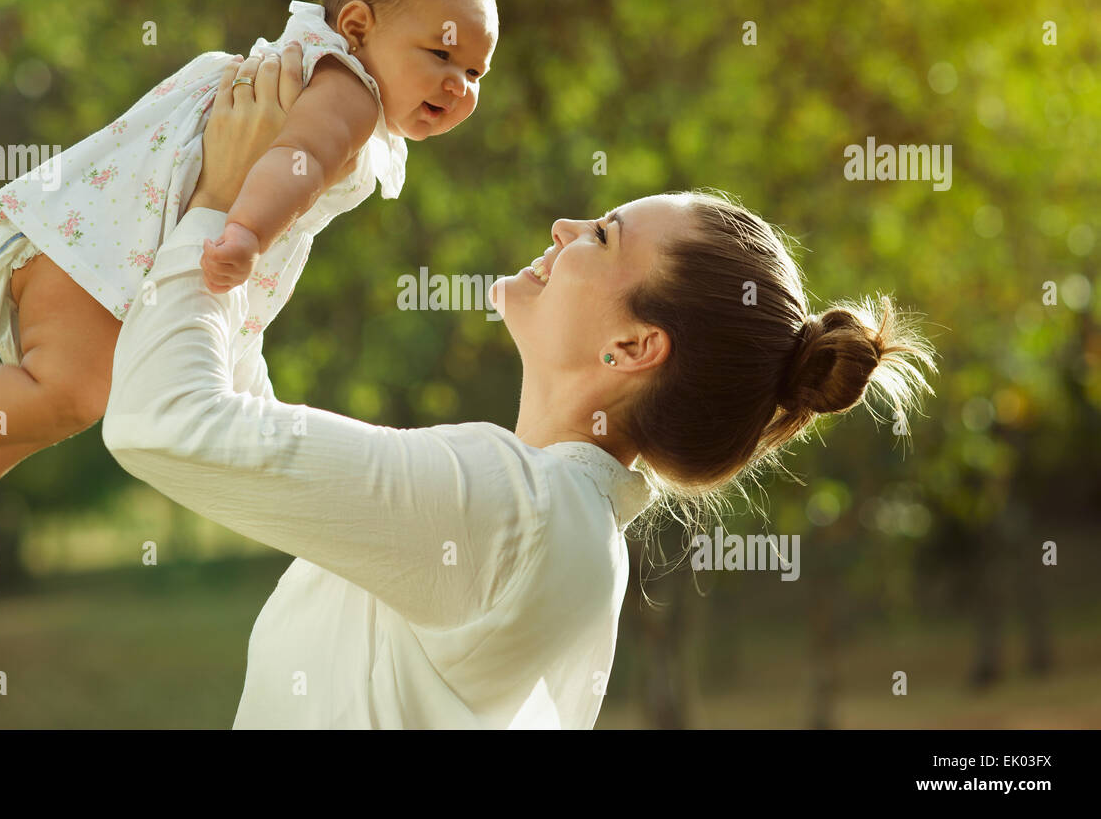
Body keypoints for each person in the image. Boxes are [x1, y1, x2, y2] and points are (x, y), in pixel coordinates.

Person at [102, 53, 938, 729]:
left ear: (633, 345)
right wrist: (277, 209)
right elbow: (251, 431)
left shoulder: (517, 512)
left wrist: (217, 205)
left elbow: (165, 421)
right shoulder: (557, 522)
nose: (564, 229)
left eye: (603, 235)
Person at [0, 0, 497, 571]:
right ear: (356, 26)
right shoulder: (351, 93)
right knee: (68, 391)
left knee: (75, 398)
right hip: (90, 248)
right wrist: (245, 233)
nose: (457, 84)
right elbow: (298, 161)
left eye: (475, 72)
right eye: (440, 53)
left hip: (93, 244)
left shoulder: (327, 74)